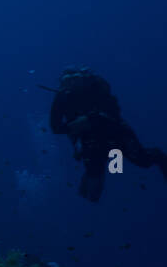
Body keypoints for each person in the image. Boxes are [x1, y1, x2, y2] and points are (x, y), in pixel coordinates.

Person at [48, 68, 167, 201]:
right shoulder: (61, 98)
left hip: (115, 133)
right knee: (94, 180)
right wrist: (75, 126)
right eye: (68, 81)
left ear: (83, 79)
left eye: (75, 79)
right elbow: (55, 128)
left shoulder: (97, 89)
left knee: (143, 160)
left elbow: (114, 112)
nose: (72, 84)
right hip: (89, 140)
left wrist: (91, 119)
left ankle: (159, 156)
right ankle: (89, 209)